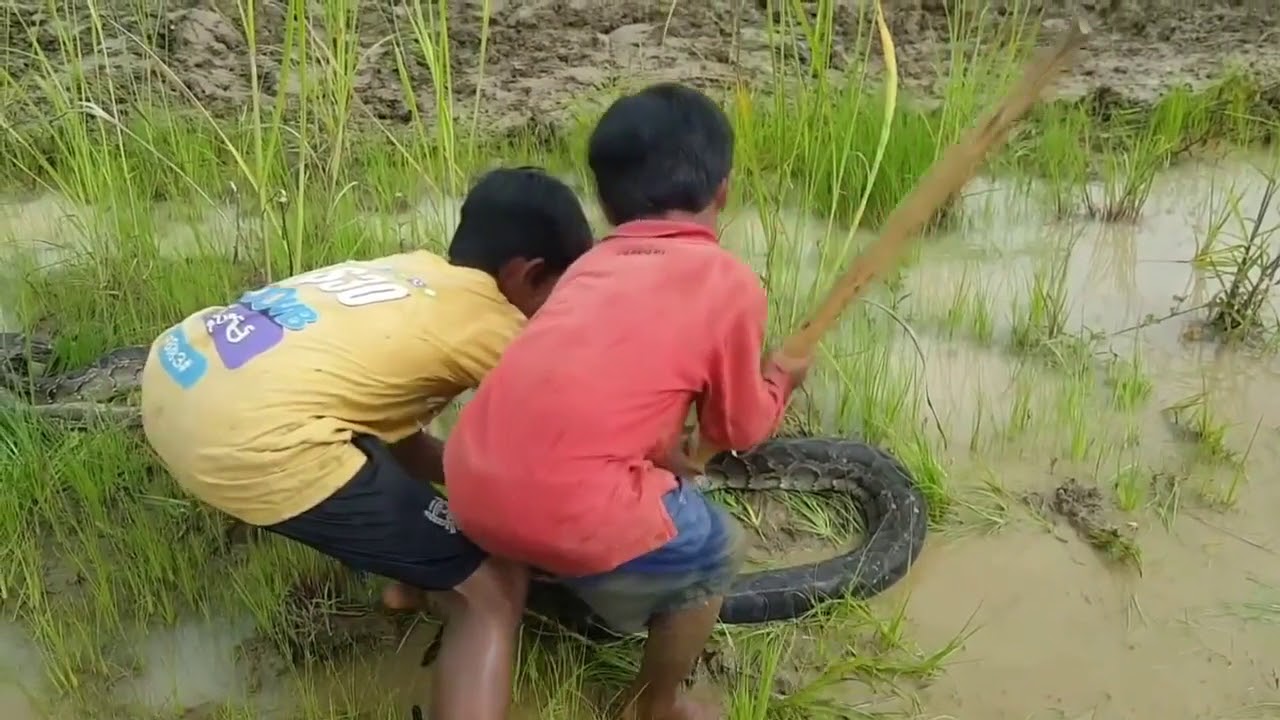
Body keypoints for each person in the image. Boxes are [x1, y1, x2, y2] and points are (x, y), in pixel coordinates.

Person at [139, 167, 595, 720]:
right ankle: (451, 594)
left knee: (391, 463)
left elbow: (400, 440)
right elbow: (568, 453)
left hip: (181, 372)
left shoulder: (411, 271)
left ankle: (407, 592)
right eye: (561, 293)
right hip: (250, 440)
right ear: (531, 274)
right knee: (494, 591)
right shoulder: (497, 326)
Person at [442, 83, 812, 720]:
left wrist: (665, 451)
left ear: (606, 206)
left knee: (598, 488)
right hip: (565, 511)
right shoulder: (728, 281)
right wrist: (781, 380)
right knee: (718, 548)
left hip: (470, 490)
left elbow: (597, 392)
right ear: (722, 189)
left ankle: (551, 579)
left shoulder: (585, 270)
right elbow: (741, 428)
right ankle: (655, 704)